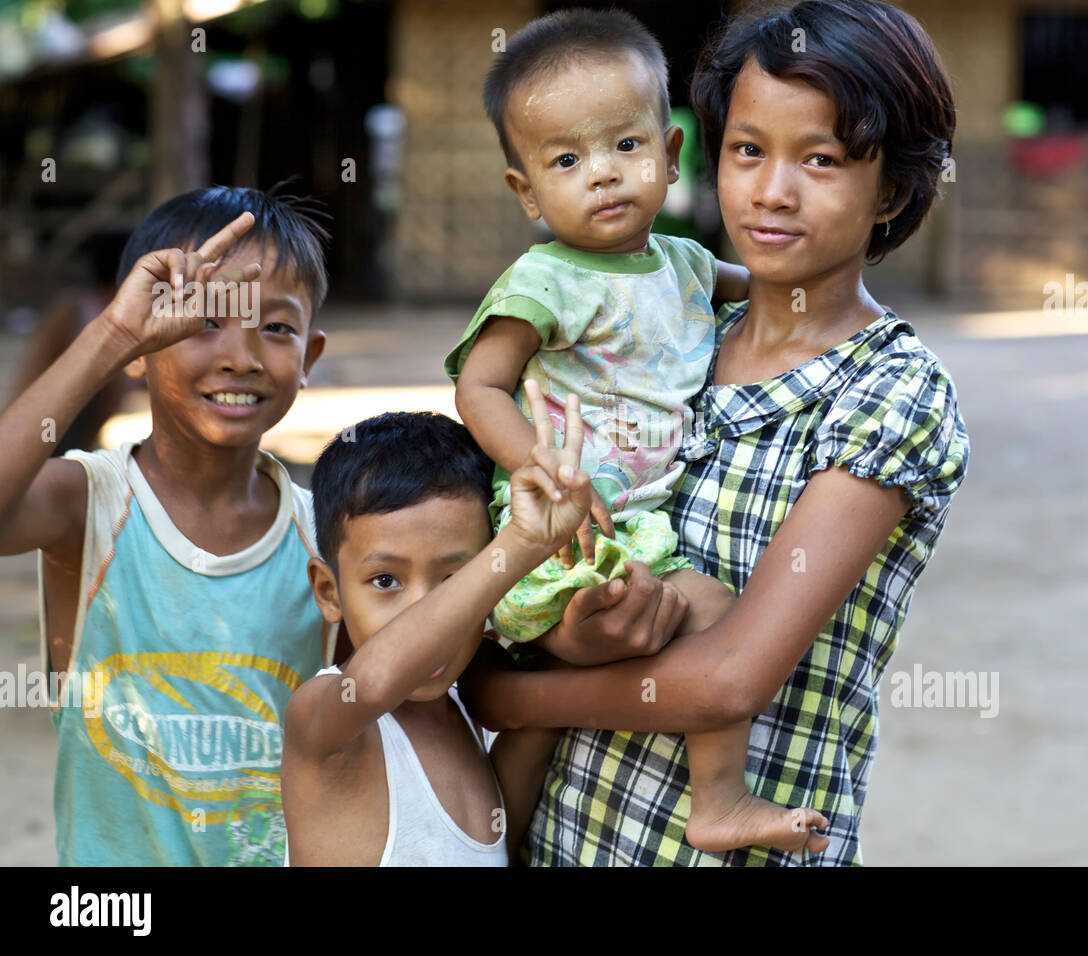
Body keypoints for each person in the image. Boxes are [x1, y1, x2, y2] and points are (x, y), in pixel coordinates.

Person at [459, 0, 971, 866]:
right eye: (749, 150)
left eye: (823, 159)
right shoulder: (677, 335)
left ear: (890, 188)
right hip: (564, 834)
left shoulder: (892, 394)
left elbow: (732, 675)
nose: (772, 190)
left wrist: (508, 699)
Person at [446, 7, 830, 853]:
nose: (604, 176)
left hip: (637, 527)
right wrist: (533, 464)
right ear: (526, 191)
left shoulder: (690, 264)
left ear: (671, 152)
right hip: (558, 526)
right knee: (676, 623)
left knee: (570, 695)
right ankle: (507, 845)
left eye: (626, 147)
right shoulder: (544, 279)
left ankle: (702, 802)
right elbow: (480, 384)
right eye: (567, 160)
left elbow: (770, 287)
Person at [0, 185, 335, 865]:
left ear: (310, 356)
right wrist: (112, 334)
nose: (241, 355)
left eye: (276, 328)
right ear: (140, 344)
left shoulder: (324, 537)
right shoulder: (88, 504)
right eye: (204, 321)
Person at [281, 397, 593, 865]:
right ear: (329, 592)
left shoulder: (474, 721)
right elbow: (376, 681)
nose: (424, 612)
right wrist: (523, 542)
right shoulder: (323, 718)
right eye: (385, 581)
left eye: (454, 581)